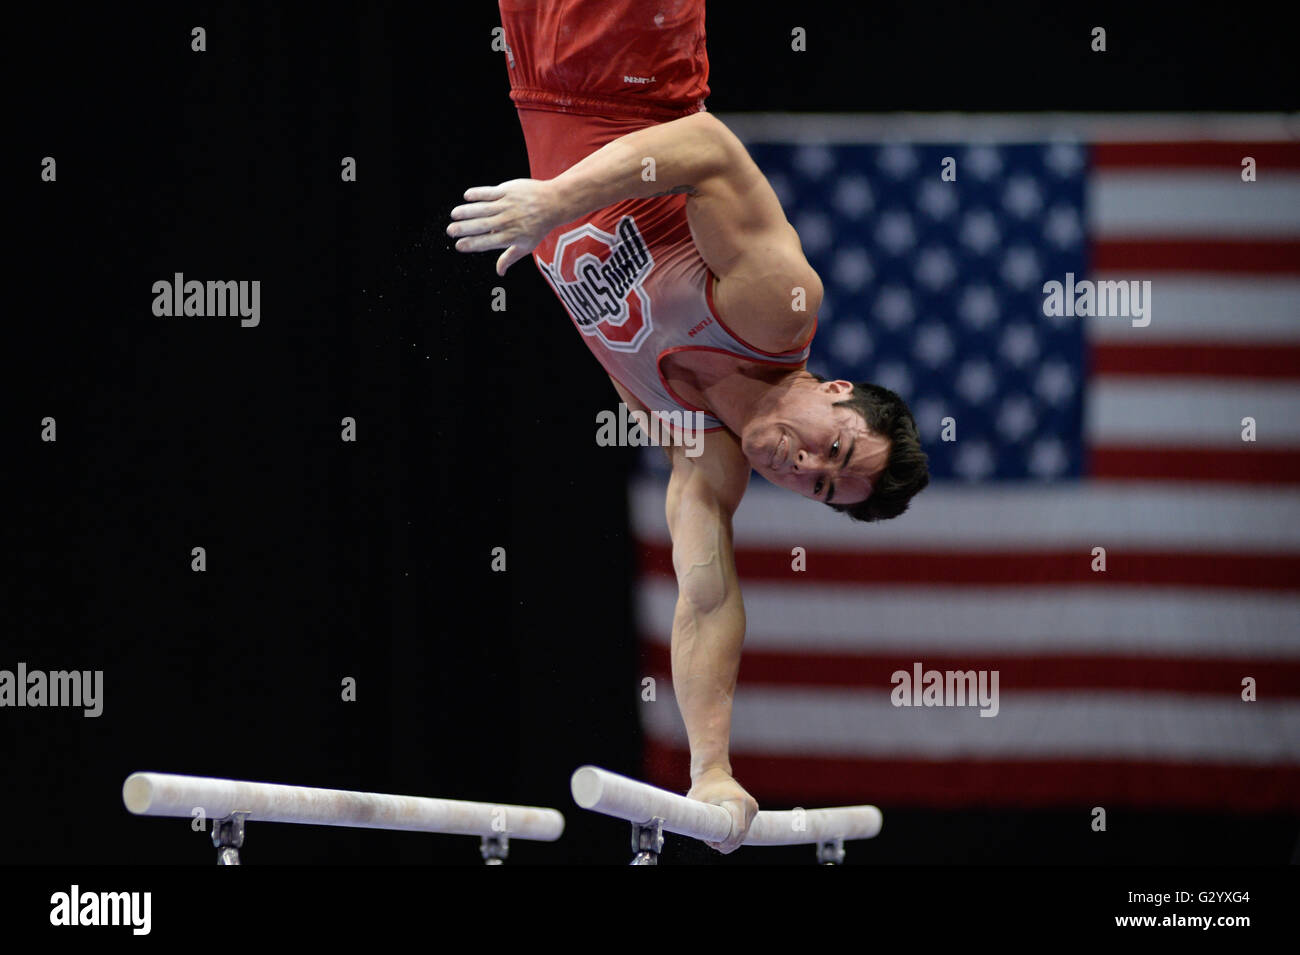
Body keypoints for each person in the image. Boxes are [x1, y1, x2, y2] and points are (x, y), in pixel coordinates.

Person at [448, 0, 929, 853]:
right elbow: (706, 150)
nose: (807, 462)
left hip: (536, 73)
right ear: (838, 388)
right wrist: (555, 200)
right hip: (626, 57)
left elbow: (706, 598)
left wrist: (711, 766)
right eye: (836, 446)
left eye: (819, 485)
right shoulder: (776, 312)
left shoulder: (703, 456)